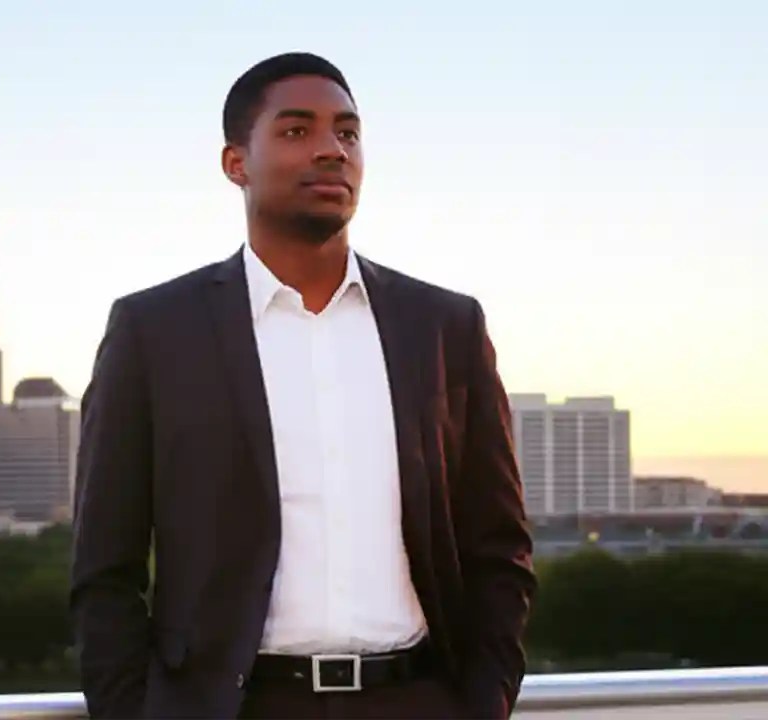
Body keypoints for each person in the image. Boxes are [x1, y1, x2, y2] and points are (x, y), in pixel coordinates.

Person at [70, 51, 536, 719]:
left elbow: (499, 545)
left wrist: (483, 700)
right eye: (297, 131)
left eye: (347, 132)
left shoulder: (443, 326)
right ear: (237, 163)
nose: (332, 151)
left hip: (418, 700)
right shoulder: (154, 331)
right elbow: (102, 569)